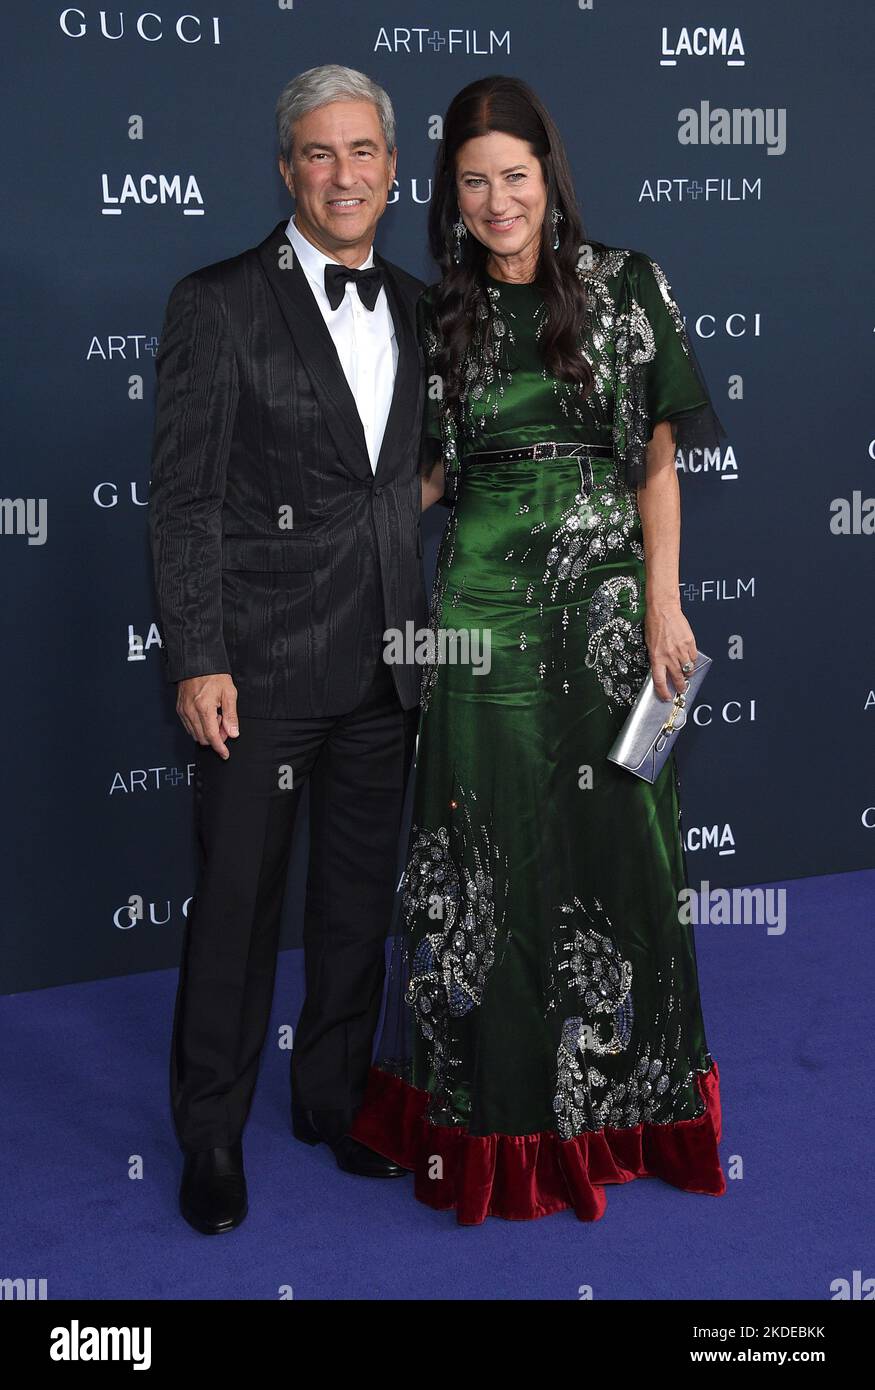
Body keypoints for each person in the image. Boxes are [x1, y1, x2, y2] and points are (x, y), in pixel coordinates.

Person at [349, 75, 729, 1224]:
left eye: (513, 176)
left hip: (609, 622)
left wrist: (663, 605)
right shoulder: (439, 313)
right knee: (482, 859)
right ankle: (488, 1117)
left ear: (546, 176)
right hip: (475, 614)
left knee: (621, 847)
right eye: (473, 181)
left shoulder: (625, 284)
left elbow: (654, 460)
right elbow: (420, 482)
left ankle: (627, 1109)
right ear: (449, 193)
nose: (496, 199)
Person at [148, 65, 426, 1235]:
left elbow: (408, 479)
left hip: (387, 666)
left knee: (356, 902)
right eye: (319, 153)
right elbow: (181, 500)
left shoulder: (419, 305)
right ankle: (211, 1133)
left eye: (361, 151)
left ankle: (331, 1096)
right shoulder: (216, 302)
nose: (343, 173)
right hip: (255, 669)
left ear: (392, 168)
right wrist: (197, 654)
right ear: (285, 170)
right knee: (235, 910)